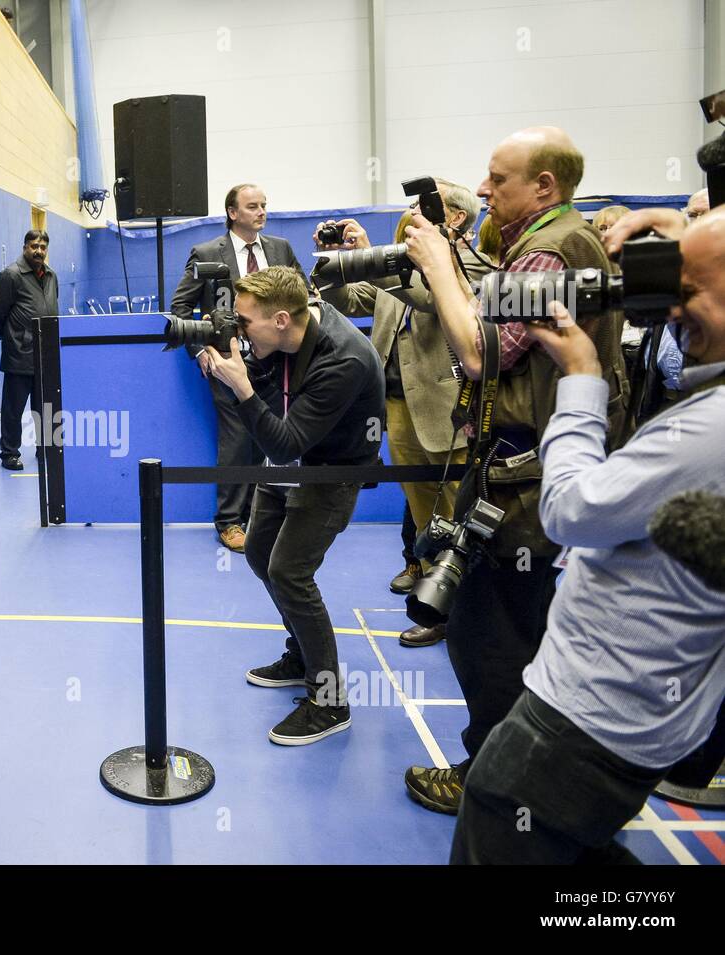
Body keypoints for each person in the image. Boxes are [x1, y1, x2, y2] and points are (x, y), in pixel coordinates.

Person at [451, 206, 725, 864]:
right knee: (573, 847)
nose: (669, 309)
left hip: (585, 722)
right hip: (639, 716)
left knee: (500, 834)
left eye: (687, 291)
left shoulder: (712, 432)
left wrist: (580, 377)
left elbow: (571, 509)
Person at [398, 126, 629, 813]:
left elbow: (479, 349)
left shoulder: (555, 249)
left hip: (525, 479)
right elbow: (494, 316)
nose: (486, 190)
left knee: (489, 633)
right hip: (526, 468)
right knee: (512, 630)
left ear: (545, 186)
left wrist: (440, 260)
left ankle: (493, 782)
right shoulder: (545, 244)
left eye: (499, 180)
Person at [203, 267, 384, 744]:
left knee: (289, 572)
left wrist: (239, 385)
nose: (239, 330)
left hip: (328, 473)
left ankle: (329, 703)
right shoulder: (284, 338)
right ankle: (303, 654)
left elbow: (285, 441)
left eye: (245, 323)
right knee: (261, 556)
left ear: (281, 319)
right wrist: (234, 361)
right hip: (285, 466)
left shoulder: (344, 360)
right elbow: (274, 407)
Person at [312, 180, 488, 647]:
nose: (411, 209)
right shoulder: (402, 262)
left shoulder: (465, 262)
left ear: (454, 218)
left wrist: (380, 259)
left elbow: (428, 297)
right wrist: (335, 264)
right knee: (423, 505)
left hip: (446, 405)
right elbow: (350, 301)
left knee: (455, 506)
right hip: (397, 404)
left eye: (423, 205)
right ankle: (435, 595)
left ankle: (467, 606)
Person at [170, 184, 308, 553]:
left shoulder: (281, 250)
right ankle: (230, 521)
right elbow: (180, 309)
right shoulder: (205, 253)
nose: (261, 211)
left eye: (264, 205)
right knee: (236, 440)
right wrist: (201, 352)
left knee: (273, 437)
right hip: (228, 360)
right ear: (233, 212)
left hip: (277, 361)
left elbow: (304, 299)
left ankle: (265, 517)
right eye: (252, 206)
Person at [0, 230, 57, 470]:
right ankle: (9, 453)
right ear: (25, 247)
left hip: (46, 356)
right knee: (13, 410)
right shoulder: (11, 275)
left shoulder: (51, 276)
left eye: (43, 247)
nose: (38, 251)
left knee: (46, 407)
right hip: (19, 356)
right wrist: (12, 340)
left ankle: (45, 449)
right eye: (33, 246)